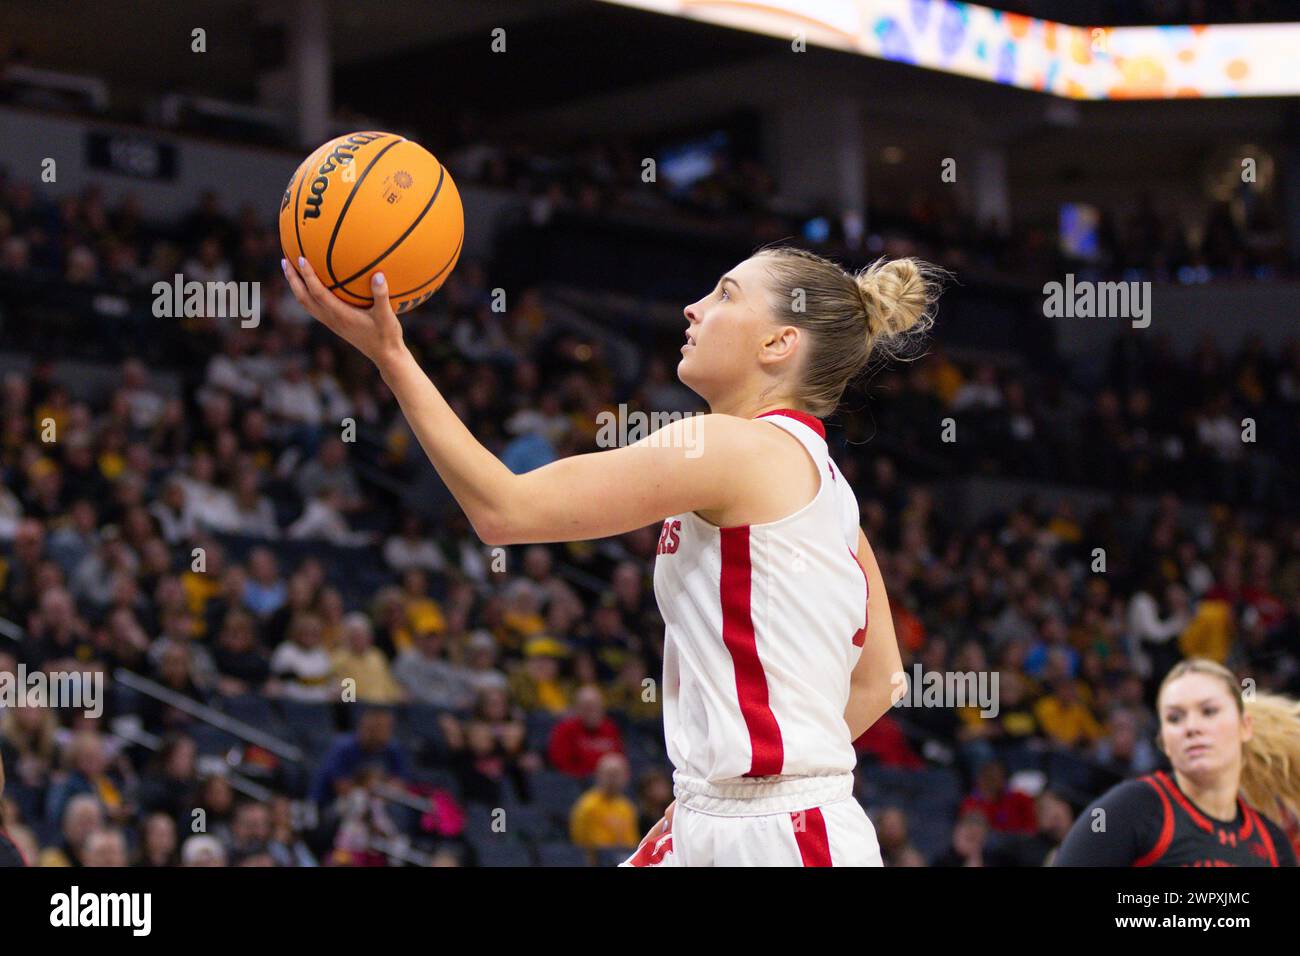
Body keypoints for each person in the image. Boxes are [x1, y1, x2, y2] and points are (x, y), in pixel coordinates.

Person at [284, 243, 941, 867]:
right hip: (732, 818)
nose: (695, 307)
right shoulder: (832, 490)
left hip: (780, 837)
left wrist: (391, 357)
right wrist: (735, 787)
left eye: (725, 294)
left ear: (778, 343)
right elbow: (882, 679)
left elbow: (504, 511)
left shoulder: (730, 448)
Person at [1054, 658, 1298, 866]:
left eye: (1209, 711)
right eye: (1175, 718)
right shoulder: (1131, 808)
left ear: (1245, 727)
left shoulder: (1272, 842)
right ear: (1165, 742)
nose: (1191, 727)